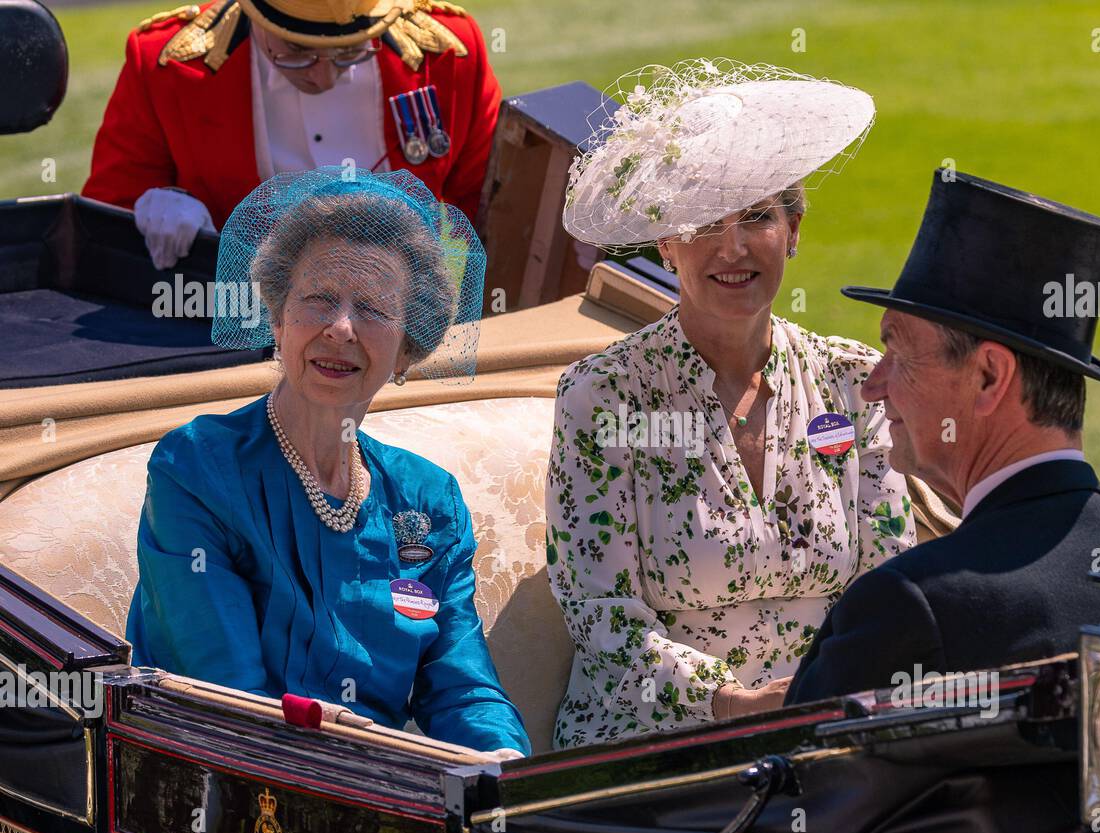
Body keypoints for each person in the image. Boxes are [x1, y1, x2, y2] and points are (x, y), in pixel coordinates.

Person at [547, 60, 916, 748]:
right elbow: (601, 613)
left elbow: (890, 577)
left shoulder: (855, 379)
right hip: (654, 742)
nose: (733, 247)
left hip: (825, 731)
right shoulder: (600, 397)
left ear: (795, 229)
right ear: (664, 242)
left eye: (757, 217)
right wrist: (732, 704)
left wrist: (818, 699)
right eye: (703, 222)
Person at [125, 166, 529, 757]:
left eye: (371, 309)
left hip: (383, 798)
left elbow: (462, 692)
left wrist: (503, 769)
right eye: (317, 300)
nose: (340, 328)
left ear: (407, 350)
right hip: (221, 792)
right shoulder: (198, 468)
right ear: (277, 317)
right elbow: (228, 697)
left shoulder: (428, 501)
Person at [787, 170, 1100, 705]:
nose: (872, 385)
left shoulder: (907, 606)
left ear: (989, 378)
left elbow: (792, 781)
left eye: (900, 353)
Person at [84, 0, 499, 269]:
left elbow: (495, 212)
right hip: (230, 334)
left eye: (351, 51)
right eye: (297, 51)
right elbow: (103, 229)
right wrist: (157, 210)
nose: (325, 76)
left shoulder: (450, 53)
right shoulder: (165, 67)